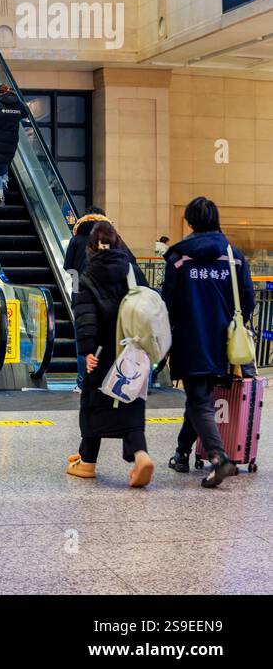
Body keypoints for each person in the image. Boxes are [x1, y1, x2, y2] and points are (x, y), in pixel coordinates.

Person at [162, 197, 256, 489]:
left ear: (190, 222)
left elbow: (168, 303)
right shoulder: (234, 257)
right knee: (199, 396)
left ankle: (219, 458)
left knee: (199, 398)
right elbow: (249, 301)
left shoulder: (178, 258)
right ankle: (182, 452)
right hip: (225, 343)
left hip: (190, 339)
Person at [65, 222, 153, 487]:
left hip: (102, 353)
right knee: (131, 405)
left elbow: (86, 317)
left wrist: (87, 351)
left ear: (92, 247)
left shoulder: (87, 275)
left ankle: (88, 462)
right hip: (132, 352)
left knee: (94, 404)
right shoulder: (133, 271)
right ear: (118, 244)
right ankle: (141, 456)